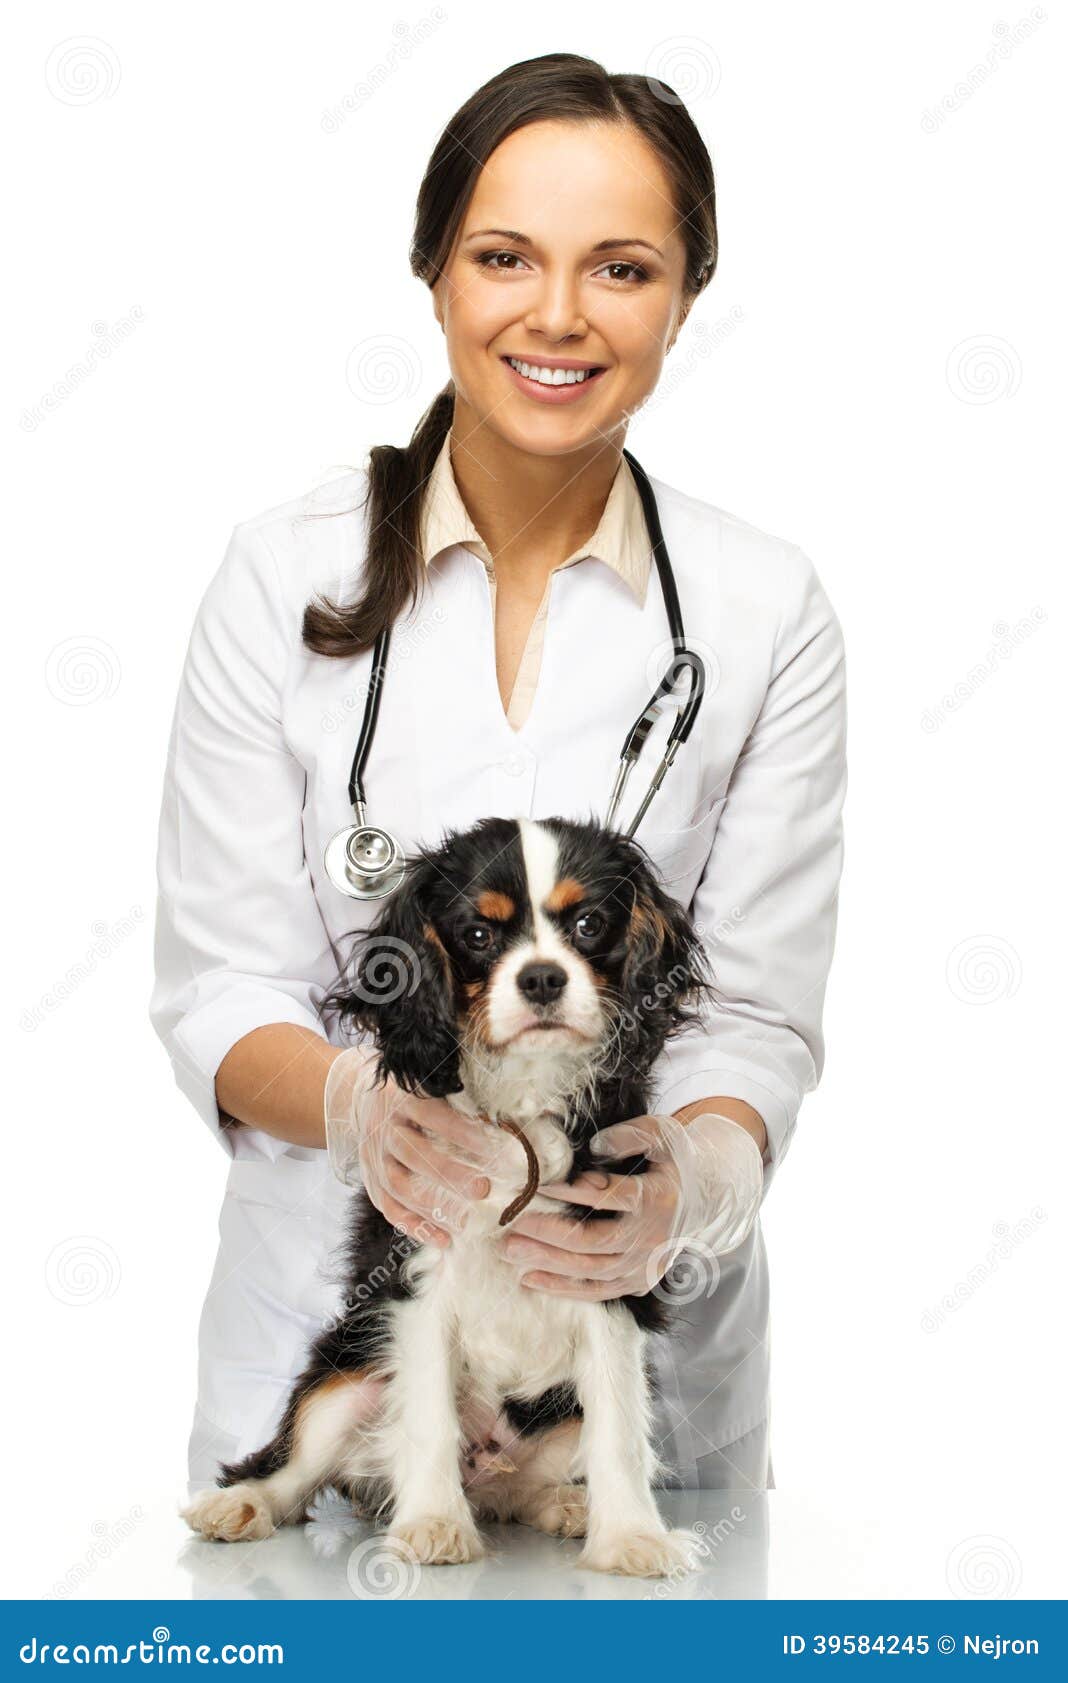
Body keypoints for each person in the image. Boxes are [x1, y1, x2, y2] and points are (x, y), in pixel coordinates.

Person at [150, 51, 847, 1500]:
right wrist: (361, 1109)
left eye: (624, 267)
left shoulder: (766, 609)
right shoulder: (281, 576)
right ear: (433, 275)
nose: (559, 314)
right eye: (504, 256)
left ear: (688, 296)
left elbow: (755, 1015)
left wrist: (691, 1190)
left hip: (627, 1379)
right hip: (346, 1352)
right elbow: (219, 985)